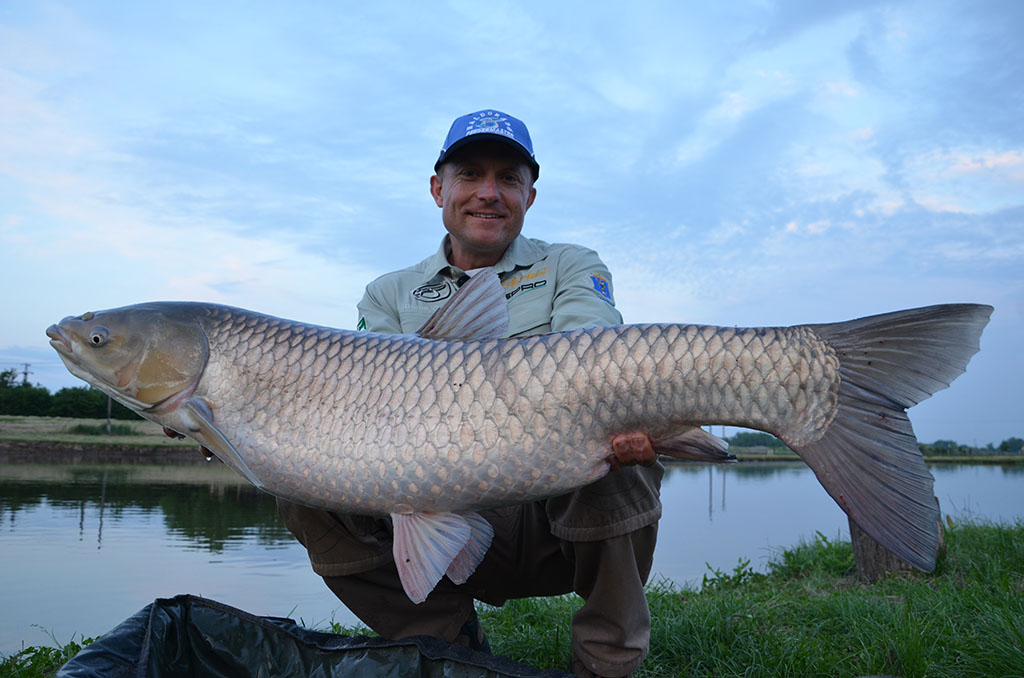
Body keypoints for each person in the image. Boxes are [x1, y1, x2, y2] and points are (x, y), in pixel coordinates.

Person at [277, 109, 663, 678]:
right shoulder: (388, 294)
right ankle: (448, 651)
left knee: (616, 454)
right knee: (302, 486)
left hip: (550, 513)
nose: (489, 193)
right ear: (439, 189)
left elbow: (593, 359)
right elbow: (369, 404)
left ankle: (606, 664)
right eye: (470, 175)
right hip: (434, 512)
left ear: (530, 195)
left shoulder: (569, 266)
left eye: (509, 178)